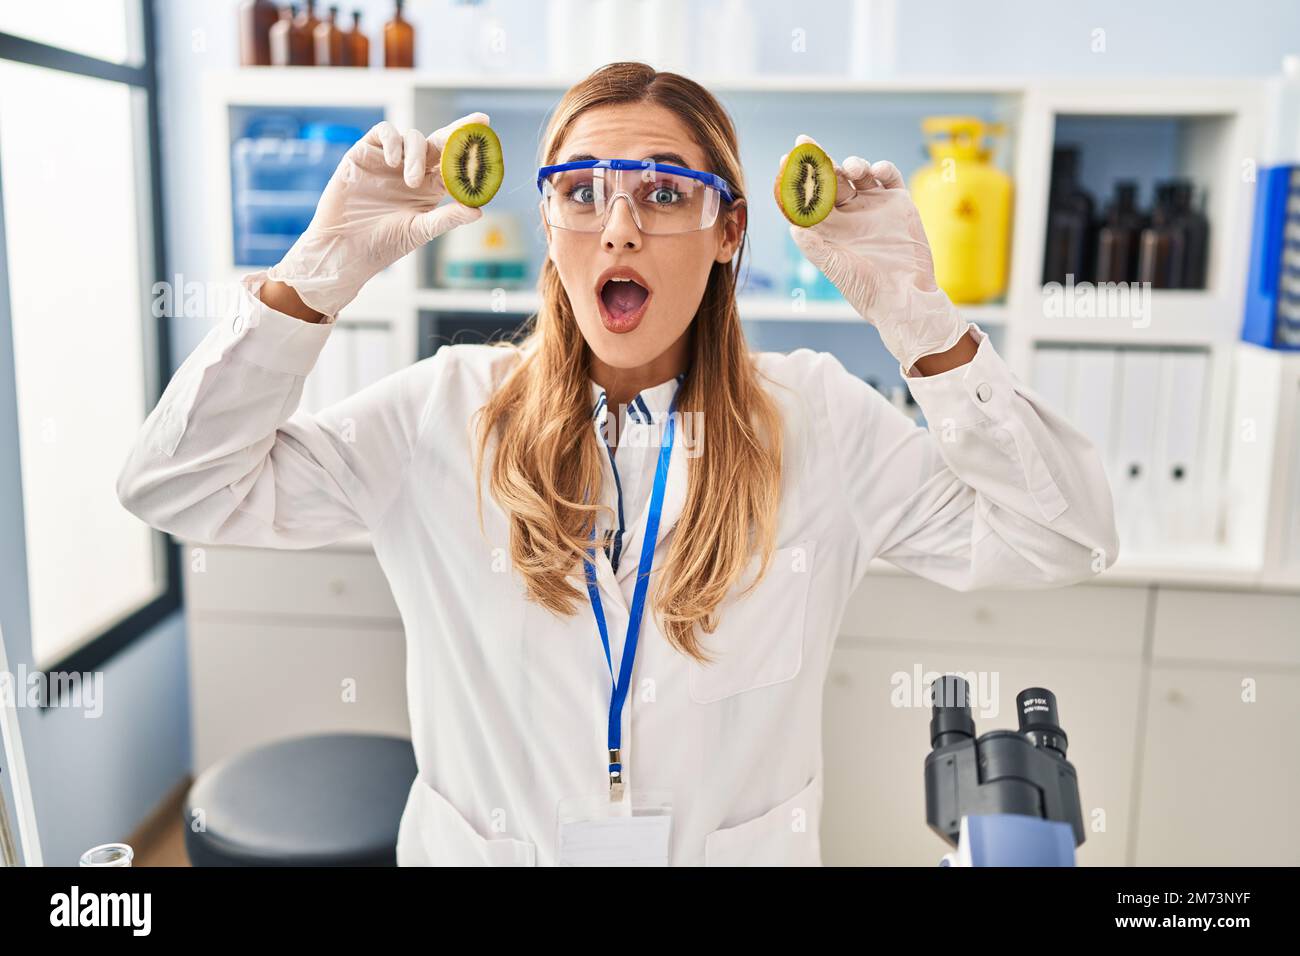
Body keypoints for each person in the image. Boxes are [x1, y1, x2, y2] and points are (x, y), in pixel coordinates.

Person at [116, 62, 1119, 866]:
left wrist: (919, 316)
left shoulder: (817, 419)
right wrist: (316, 272)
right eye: (582, 191)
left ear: (730, 230)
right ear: (549, 229)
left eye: (665, 191)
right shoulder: (440, 410)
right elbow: (179, 483)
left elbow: (1062, 535)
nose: (621, 224)